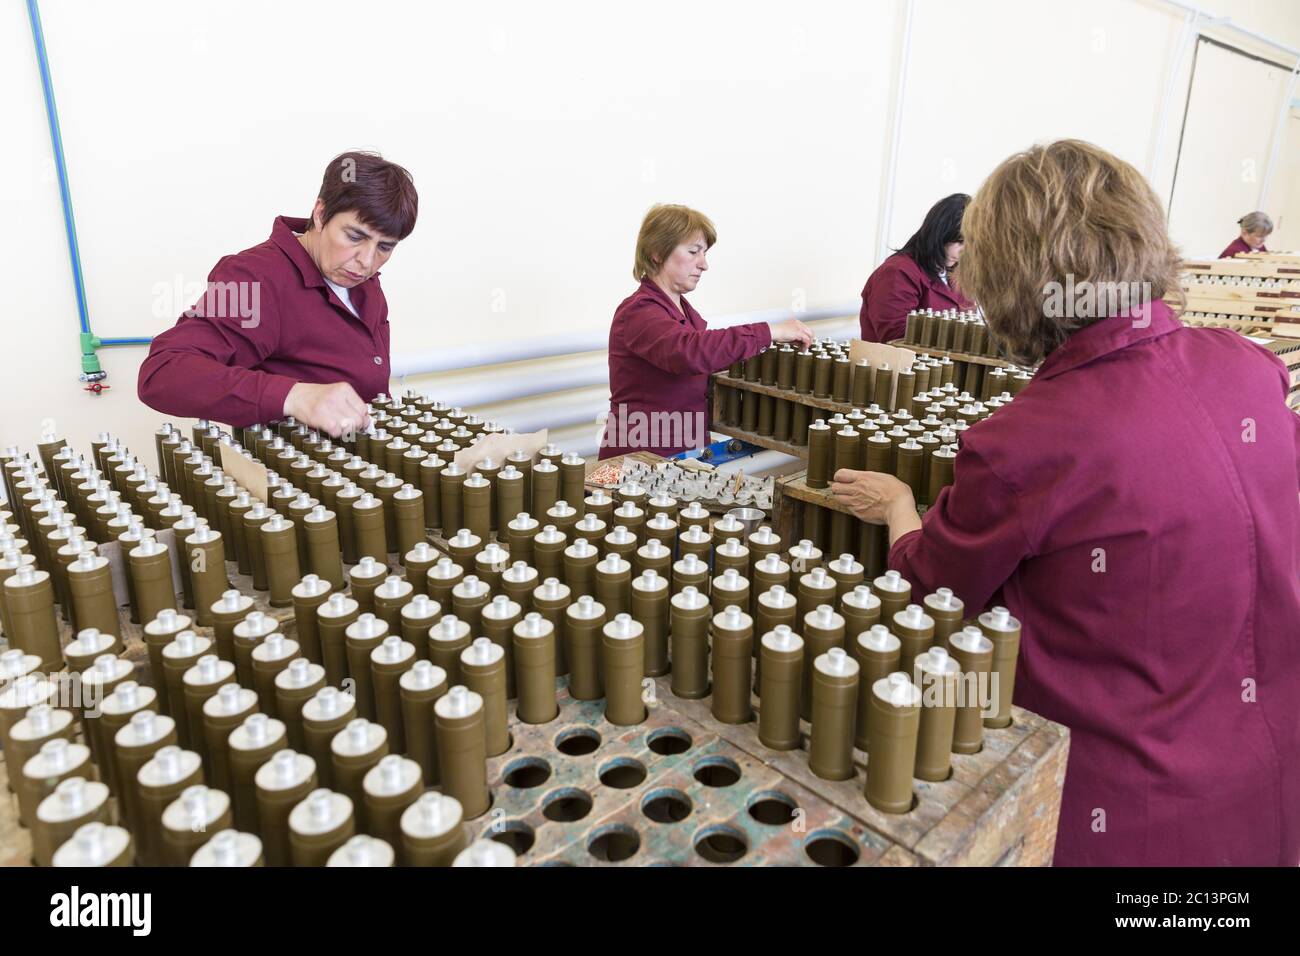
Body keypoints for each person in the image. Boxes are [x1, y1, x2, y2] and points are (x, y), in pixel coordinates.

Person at [831, 140, 1300, 867]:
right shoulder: (1249, 368)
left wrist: (898, 507)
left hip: (1122, 814)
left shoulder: (1029, 439)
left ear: (1007, 277)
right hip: (1266, 785)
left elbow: (930, 592)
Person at [138, 151, 418, 437]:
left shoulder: (359, 278)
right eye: (355, 237)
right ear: (320, 214)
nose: (367, 261)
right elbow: (163, 373)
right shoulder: (256, 278)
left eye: (385, 247)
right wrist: (294, 396)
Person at [600, 204, 813, 459]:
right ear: (657, 252)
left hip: (684, 454)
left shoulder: (683, 314)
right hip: (641, 458)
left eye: (704, 253)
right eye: (693, 252)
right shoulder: (639, 312)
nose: (704, 264)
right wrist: (768, 331)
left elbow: (709, 354)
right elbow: (689, 351)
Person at [859, 193, 974, 343]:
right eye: (960, 242)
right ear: (939, 234)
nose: (965, 251)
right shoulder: (897, 273)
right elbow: (896, 339)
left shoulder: (955, 274)